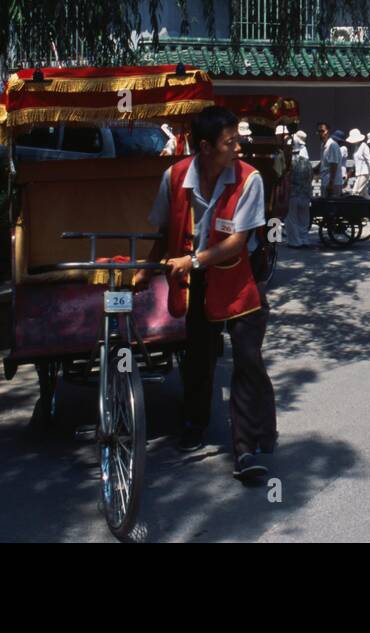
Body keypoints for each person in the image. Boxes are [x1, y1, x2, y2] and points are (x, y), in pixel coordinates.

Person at [132, 107, 276, 482]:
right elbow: (165, 231)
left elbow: (236, 243)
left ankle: (249, 448)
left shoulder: (250, 179)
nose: (238, 147)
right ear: (205, 147)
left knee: (247, 360)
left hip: (242, 278)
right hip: (198, 282)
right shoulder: (174, 176)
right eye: (230, 142)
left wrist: (192, 260)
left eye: (237, 140)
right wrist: (145, 271)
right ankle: (194, 423)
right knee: (198, 358)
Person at [284, 130, 312, 248]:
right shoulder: (307, 162)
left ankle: (295, 241)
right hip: (305, 193)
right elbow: (310, 177)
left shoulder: (290, 162)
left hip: (294, 193)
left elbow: (287, 177)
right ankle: (304, 239)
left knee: (292, 218)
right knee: (304, 219)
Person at [317, 123, 344, 198]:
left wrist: (331, 183)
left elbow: (334, 165)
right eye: (319, 131)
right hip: (325, 182)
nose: (320, 133)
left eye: (322, 131)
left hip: (333, 184)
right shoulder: (323, 145)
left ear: (328, 132)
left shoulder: (332, 145)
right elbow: (323, 162)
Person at [347, 128, 370, 197]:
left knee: (355, 192)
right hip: (359, 173)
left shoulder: (364, 146)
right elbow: (356, 162)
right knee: (364, 193)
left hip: (364, 172)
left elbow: (369, 159)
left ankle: (355, 207)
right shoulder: (356, 147)